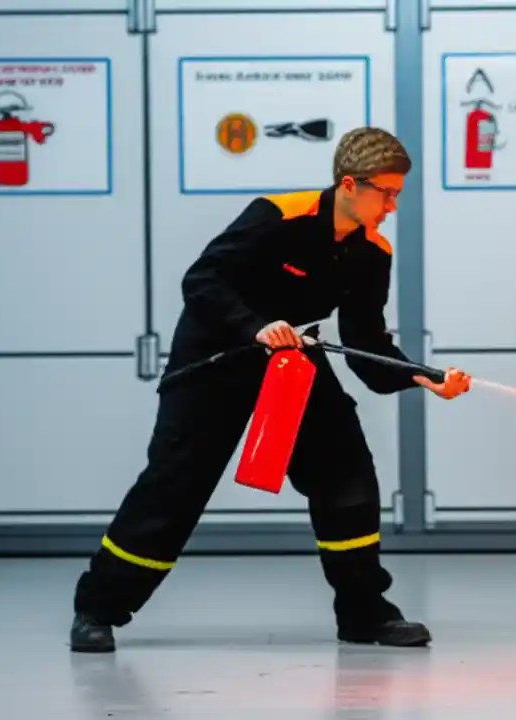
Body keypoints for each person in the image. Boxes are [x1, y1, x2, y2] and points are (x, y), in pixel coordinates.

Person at [69, 127, 470, 653]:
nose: (393, 206)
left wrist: (422, 377)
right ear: (350, 184)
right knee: (174, 485)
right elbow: (202, 280)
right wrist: (254, 326)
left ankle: (364, 613)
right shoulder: (278, 215)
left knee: (346, 475)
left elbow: (366, 343)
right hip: (218, 357)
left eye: (398, 194)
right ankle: (97, 610)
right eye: (387, 193)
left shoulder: (373, 251)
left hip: (292, 363)